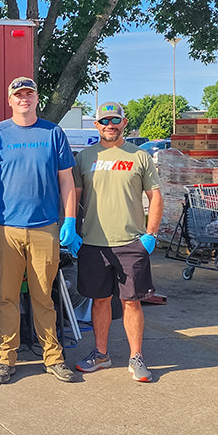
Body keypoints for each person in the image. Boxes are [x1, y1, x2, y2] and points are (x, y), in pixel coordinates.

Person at [0, 76, 79, 384]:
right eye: (18, 94)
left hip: (44, 228)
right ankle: (6, 358)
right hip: (5, 228)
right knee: (6, 298)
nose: (24, 98)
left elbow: (66, 181)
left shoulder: (53, 133)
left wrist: (70, 220)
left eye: (29, 94)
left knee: (44, 296)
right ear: (9, 100)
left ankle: (53, 357)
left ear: (36, 98)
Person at [72, 101, 163, 382]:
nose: (109, 125)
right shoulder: (85, 157)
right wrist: (71, 230)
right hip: (93, 243)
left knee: (131, 301)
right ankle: (101, 355)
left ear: (123, 122)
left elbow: (155, 197)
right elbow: (74, 198)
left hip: (130, 242)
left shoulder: (140, 157)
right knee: (99, 301)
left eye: (115, 120)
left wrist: (151, 234)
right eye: (104, 121)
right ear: (96, 125)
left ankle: (136, 358)